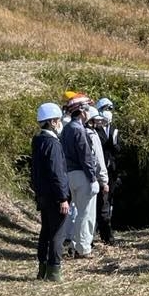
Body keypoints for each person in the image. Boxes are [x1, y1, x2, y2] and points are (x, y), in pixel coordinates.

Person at [31, 102, 70, 281]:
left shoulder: (38, 140)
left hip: (43, 194)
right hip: (55, 196)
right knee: (57, 233)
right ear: (52, 122)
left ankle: (42, 268)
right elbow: (57, 172)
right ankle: (54, 271)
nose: (60, 123)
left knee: (45, 231)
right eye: (58, 120)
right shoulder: (52, 143)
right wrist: (63, 197)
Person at [59, 94, 99, 258]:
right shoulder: (79, 130)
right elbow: (86, 157)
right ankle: (83, 249)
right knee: (86, 213)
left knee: (76, 212)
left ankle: (74, 245)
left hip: (69, 175)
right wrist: (93, 178)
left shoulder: (66, 129)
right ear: (82, 111)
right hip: (82, 175)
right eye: (87, 108)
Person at [92, 103, 121, 245]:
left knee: (109, 200)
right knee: (101, 202)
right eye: (105, 109)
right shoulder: (94, 130)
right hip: (99, 170)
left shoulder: (114, 130)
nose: (108, 112)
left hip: (111, 170)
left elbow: (118, 150)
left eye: (110, 109)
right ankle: (104, 234)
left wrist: (114, 144)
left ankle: (106, 231)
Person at [84, 106, 111, 245]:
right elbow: (99, 159)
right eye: (96, 120)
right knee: (101, 210)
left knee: (85, 212)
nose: (99, 122)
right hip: (95, 178)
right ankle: (106, 238)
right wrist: (104, 180)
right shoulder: (92, 135)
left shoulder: (79, 131)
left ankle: (86, 240)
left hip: (83, 177)